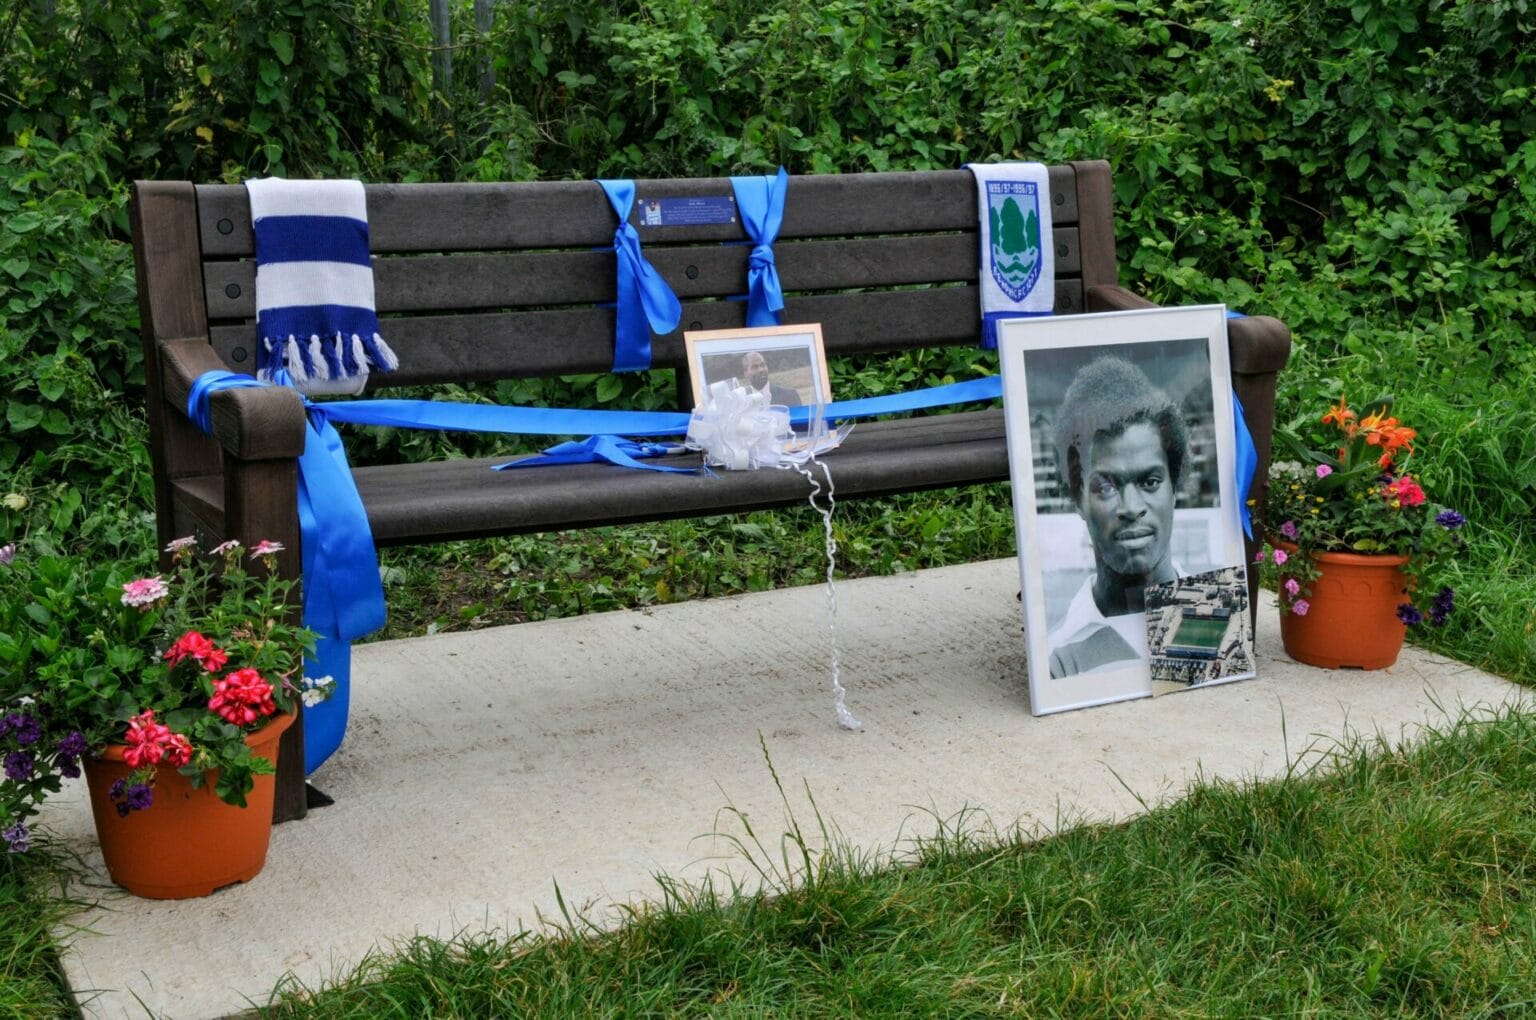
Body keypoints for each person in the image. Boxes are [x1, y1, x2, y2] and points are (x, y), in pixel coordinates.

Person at [1045, 356, 1188, 679]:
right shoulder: (1054, 656)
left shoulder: (1218, 616)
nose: (1131, 507)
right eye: (1106, 486)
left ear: (1175, 487)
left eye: (1150, 482)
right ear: (1077, 499)